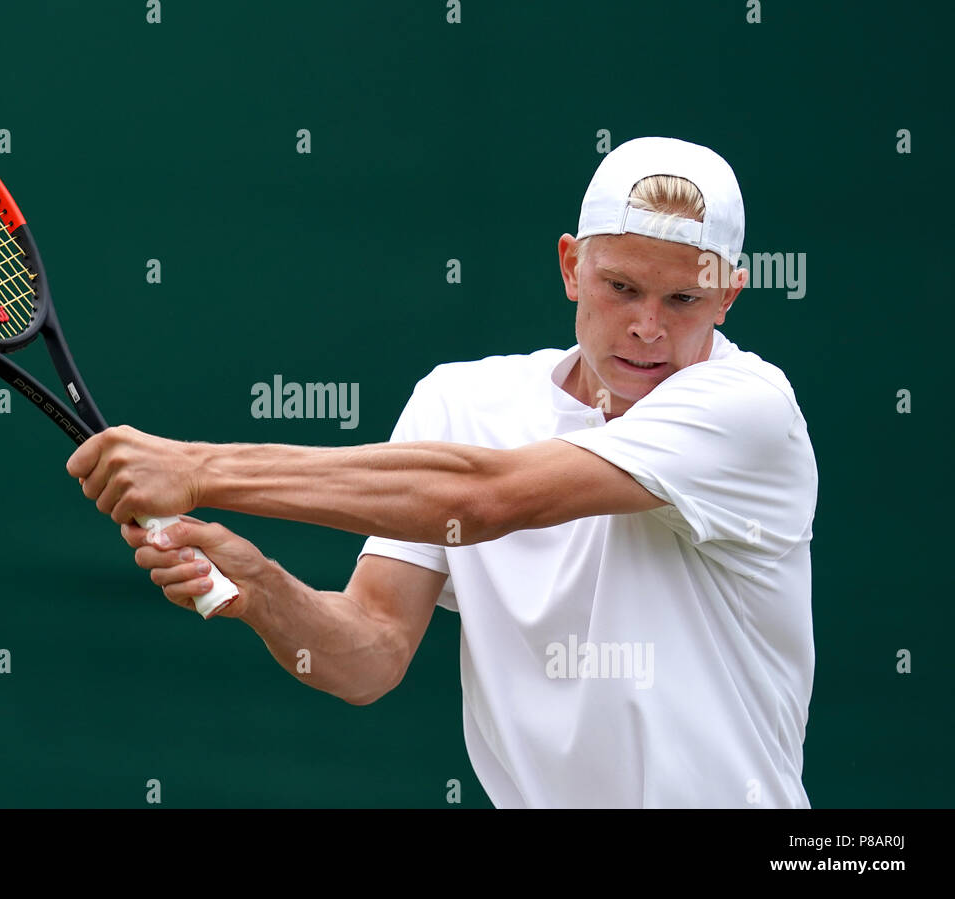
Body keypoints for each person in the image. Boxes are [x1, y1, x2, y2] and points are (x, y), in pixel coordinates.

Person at [66, 137, 818, 809]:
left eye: (682, 299)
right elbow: (371, 655)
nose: (648, 327)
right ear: (570, 267)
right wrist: (262, 586)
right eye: (621, 287)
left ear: (727, 295)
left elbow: (487, 496)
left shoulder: (748, 410)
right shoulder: (461, 402)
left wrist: (196, 468)